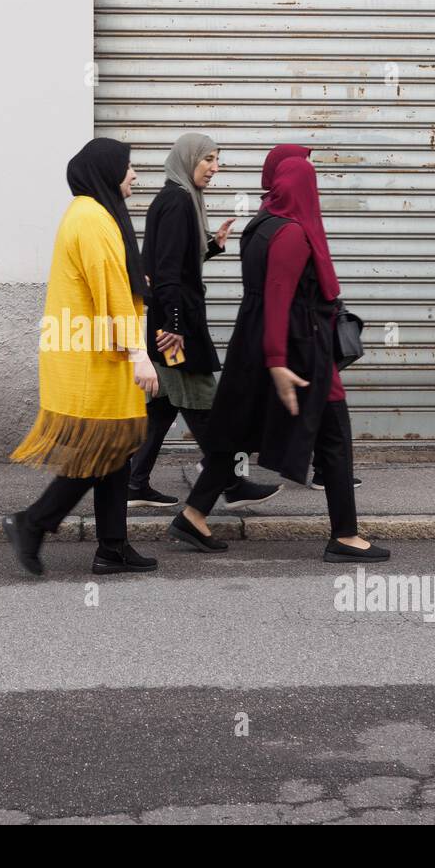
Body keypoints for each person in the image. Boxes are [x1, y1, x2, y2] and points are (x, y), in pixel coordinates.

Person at [169, 152, 390, 562]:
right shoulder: (291, 233)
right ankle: (345, 536)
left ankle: (193, 514)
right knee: (335, 437)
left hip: (258, 344)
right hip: (298, 350)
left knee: (238, 432)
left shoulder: (261, 224)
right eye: (311, 181)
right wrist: (278, 362)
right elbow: (277, 297)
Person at [3, 138, 160, 577]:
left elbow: (112, 279)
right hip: (94, 356)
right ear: (108, 171)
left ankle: (113, 548)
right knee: (100, 451)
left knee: (115, 451)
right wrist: (137, 352)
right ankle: (31, 522)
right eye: (128, 167)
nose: (135, 175)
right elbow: (108, 289)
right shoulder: (92, 217)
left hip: (94, 352)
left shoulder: (91, 212)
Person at [129, 132, 282, 512]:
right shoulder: (178, 202)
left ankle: (134, 483)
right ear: (188, 160)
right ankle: (229, 482)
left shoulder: (175, 198)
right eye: (208, 159)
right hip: (177, 331)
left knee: (163, 408)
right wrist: (177, 327)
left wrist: (211, 246)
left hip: (169, 323)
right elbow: (165, 275)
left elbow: (176, 266)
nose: (215, 167)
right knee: (205, 407)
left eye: (216, 160)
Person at [258, 146, 362, 492]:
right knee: (327, 413)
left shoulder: (284, 219)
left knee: (312, 410)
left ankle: (330, 488)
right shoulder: (289, 229)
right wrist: (277, 354)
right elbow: (279, 294)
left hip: (305, 336)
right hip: (304, 339)